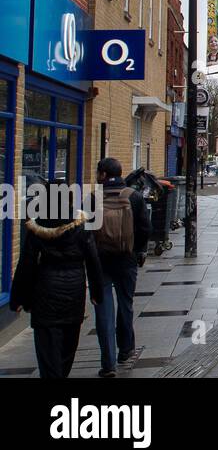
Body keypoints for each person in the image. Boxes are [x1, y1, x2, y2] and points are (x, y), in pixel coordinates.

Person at [9, 187, 104, 378]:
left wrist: (18, 298)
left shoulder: (37, 227)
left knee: (47, 347)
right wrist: (96, 292)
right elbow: (93, 261)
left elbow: (26, 264)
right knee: (69, 343)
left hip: (45, 291)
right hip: (73, 290)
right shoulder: (81, 225)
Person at [92, 158, 150, 378]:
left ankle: (107, 364)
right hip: (126, 259)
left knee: (103, 310)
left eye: (98, 172)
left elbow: (87, 233)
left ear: (103, 175)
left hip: (100, 261)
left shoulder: (94, 198)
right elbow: (146, 227)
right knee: (125, 304)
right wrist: (138, 251)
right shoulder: (133, 196)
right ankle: (125, 350)